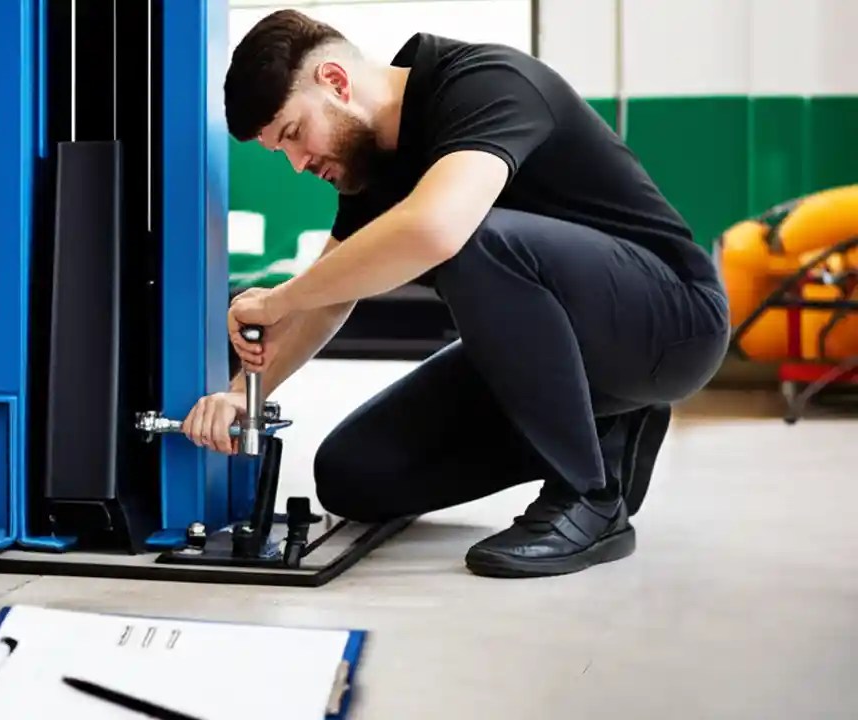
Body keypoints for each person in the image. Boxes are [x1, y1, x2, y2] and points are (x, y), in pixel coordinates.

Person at [181, 10, 729, 578]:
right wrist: (244, 394)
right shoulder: (376, 163)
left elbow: (437, 229)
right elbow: (330, 296)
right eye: (281, 151)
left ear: (336, 82)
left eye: (294, 134)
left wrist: (277, 300)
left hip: (672, 324)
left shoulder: (485, 83)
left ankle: (588, 496)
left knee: (471, 236)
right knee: (353, 474)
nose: (298, 165)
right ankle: (606, 430)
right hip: (560, 353)